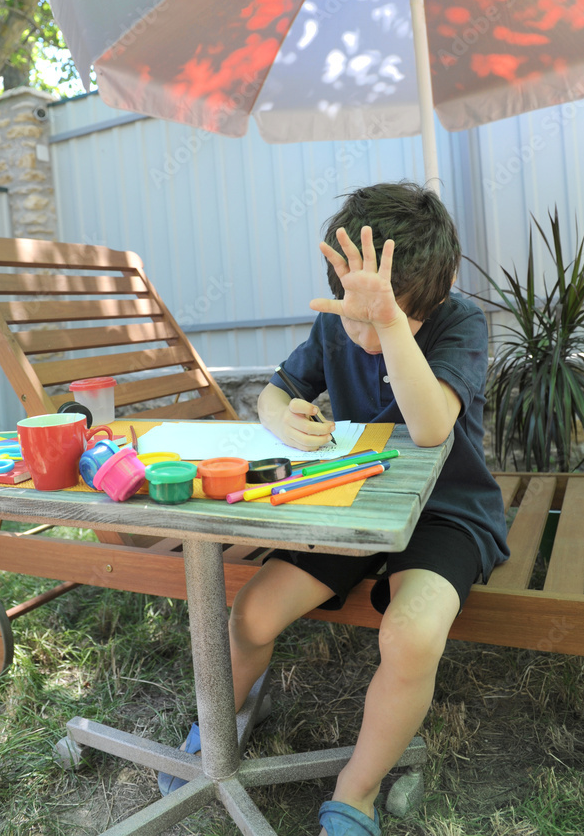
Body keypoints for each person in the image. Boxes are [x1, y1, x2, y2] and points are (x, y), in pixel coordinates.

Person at [160, 181, 509, 836]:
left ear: (437, 291)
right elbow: (273, 393)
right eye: (352, 317)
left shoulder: (458, 320)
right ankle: (225, 720)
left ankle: (355, 792)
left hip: (445, 512)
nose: (363, 334)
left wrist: (386, 326)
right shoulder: (334, 324)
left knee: (409, 634)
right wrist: (283, 419)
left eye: (384, 318)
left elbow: (431, 425)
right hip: (347, 501)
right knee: (251, 615)